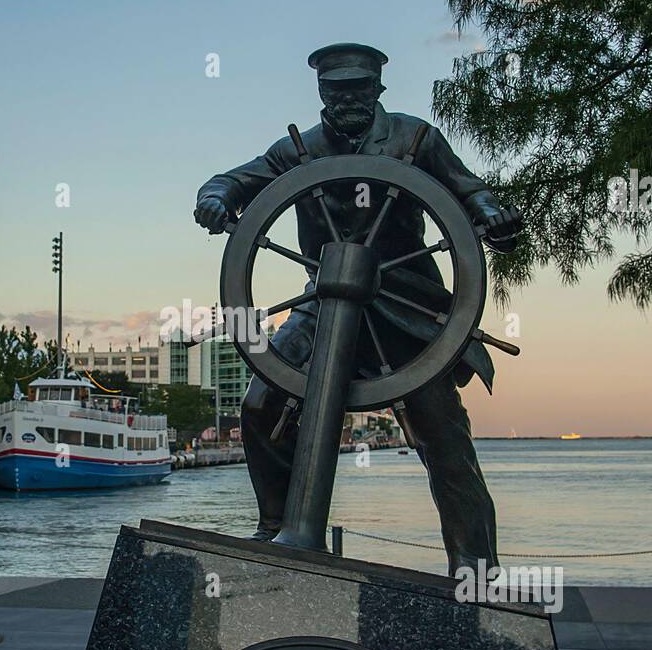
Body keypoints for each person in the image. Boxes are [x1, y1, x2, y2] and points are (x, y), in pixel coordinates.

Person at [193, 43, 523, 574]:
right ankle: (279, 530)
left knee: (443, 439)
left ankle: (476, 569)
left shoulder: (416, 139)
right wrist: (215, 197)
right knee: (261, 405)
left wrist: (494, 218)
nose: (346, 100)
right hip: (322, 304)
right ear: (321, 93)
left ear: (377, 90)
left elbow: (471, 194)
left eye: (357, 89)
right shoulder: (297, 150)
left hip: (406, 309)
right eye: (335, 90)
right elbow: (231, 180)